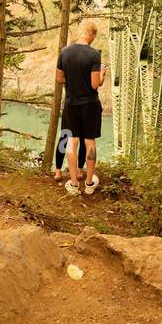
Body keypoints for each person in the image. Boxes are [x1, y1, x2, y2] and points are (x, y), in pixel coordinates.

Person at [55, 18, 106, 195]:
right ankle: (90, 183)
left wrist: (74, 79)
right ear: (91, 34)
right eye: (94, 35)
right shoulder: (94, 55)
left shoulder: (65, 52)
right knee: (89, 141)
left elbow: (59, 78)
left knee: (71, 141)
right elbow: (94, 84)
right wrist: (103, 75)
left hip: (71, 103)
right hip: (90, 105)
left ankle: (74, 184)